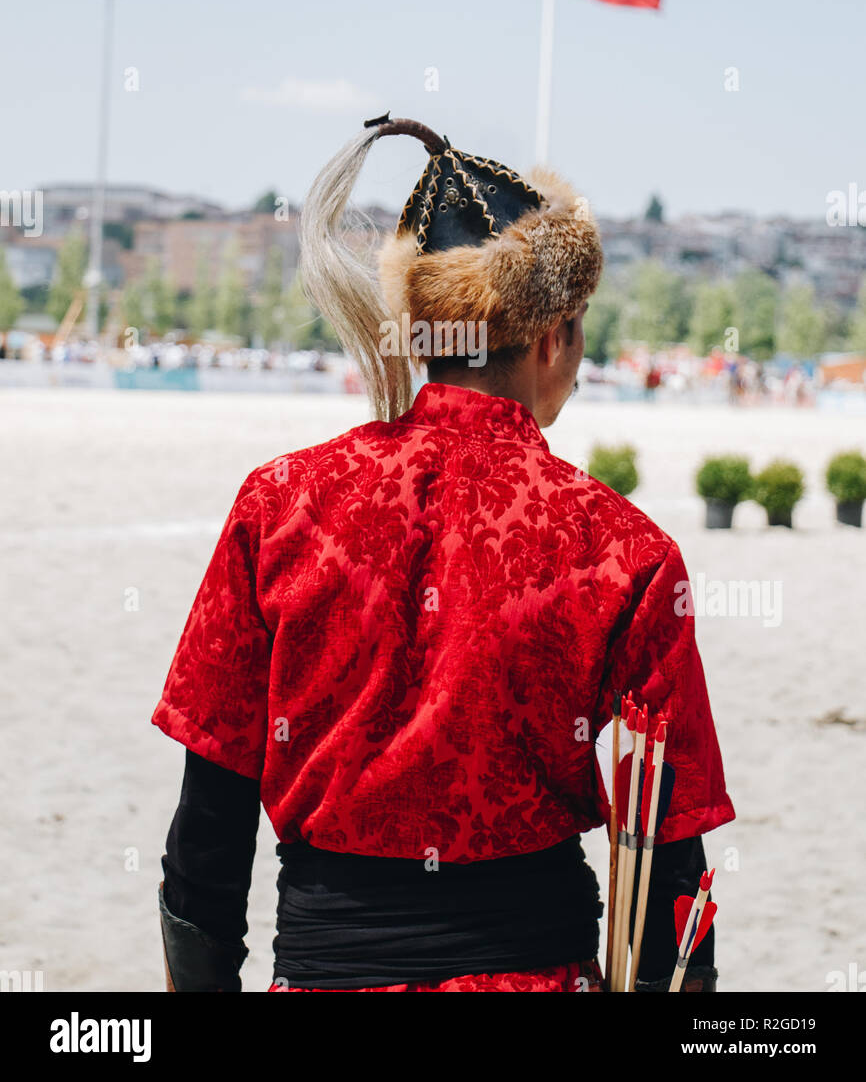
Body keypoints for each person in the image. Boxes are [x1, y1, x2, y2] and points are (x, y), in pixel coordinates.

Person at [152, 115, 734, 993]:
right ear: (553, 338)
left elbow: (209, 826)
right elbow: (666, 858)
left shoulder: (277, 507)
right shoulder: (624, 551)